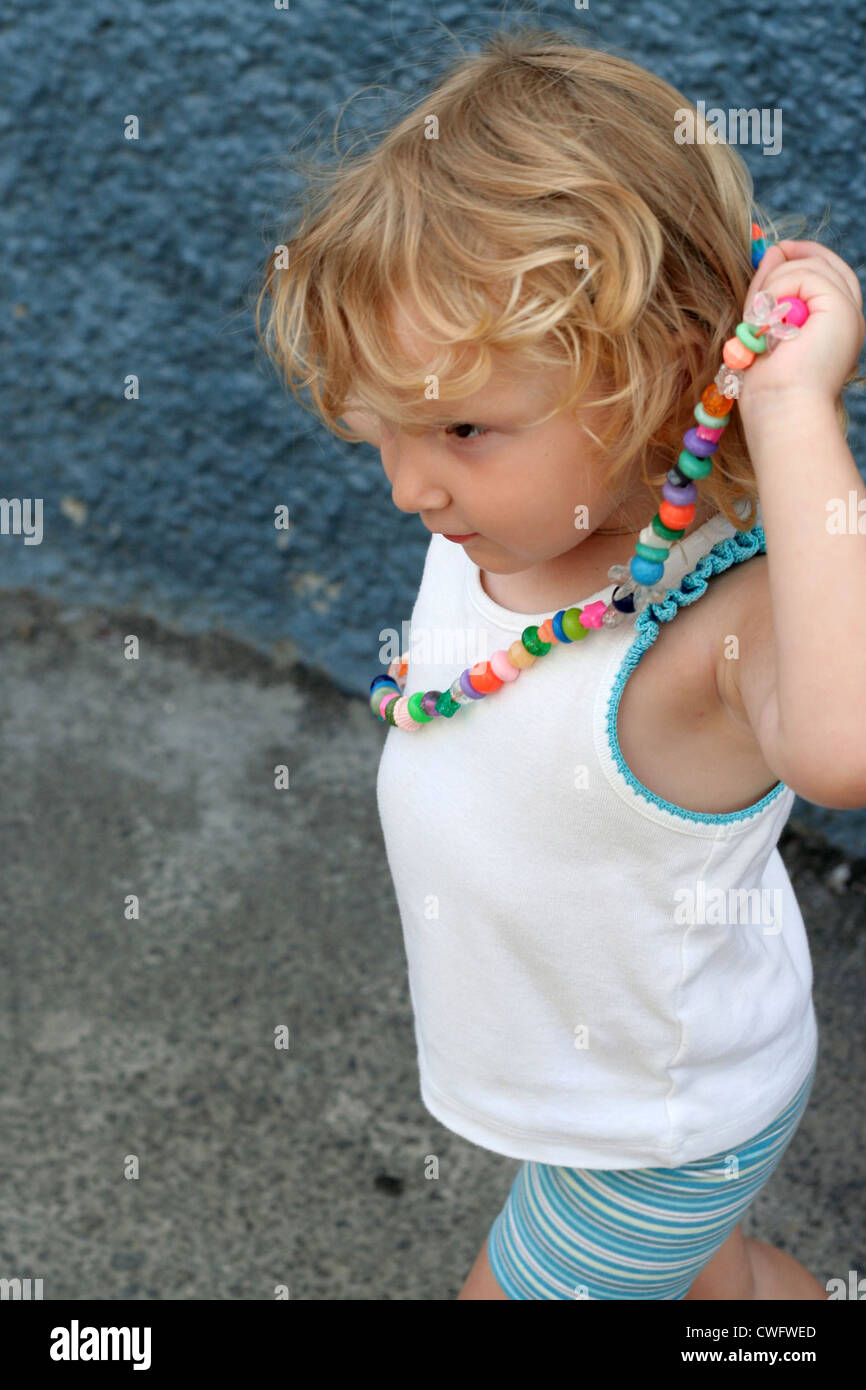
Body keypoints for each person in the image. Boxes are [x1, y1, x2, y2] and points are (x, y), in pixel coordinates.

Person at [254, 28, 866, 1299]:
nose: (411, 485)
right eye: (386, 432)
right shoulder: (509, 520)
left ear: (655, 365)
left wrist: (792, 409)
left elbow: (839, 744)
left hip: (655, 1131)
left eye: (463, 429)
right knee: (719, 1286)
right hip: (601, 1081)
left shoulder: (715, 617)